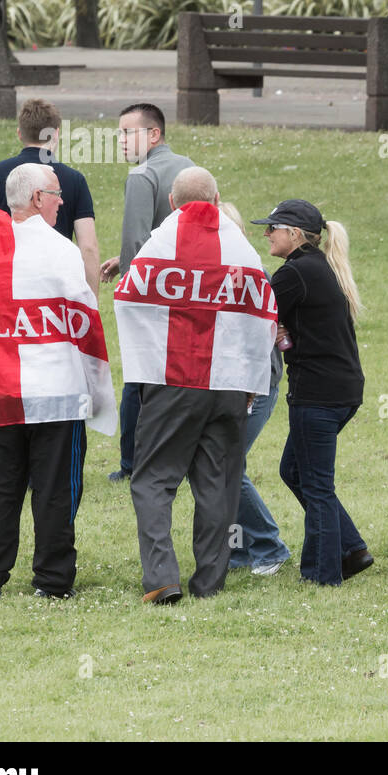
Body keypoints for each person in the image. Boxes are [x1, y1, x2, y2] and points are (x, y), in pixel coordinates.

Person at [0, 163, 116, 598]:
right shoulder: (58, 249)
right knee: (55, 489)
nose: (63, 201)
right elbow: (84, 322)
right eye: (57, 194)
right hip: (55, 395)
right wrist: (97, 385)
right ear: (37, 199)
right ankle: (53, 579)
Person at [115, 168, 276, 603]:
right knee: (218, 484)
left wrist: (145, 363)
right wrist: (249, 378)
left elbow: (127, 301)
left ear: (171, 202)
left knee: (153, 480)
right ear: (218, 197)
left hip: (173, 379)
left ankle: (163, 578)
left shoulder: (159, 245)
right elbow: (264, 315)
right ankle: (210, 582)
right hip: (228, 383)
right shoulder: (242, 250)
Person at [251, 199, 372, 586]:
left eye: (273, 228)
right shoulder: (318, 268)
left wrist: (276, 330)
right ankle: (351, 549)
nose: (266, 233)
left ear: (295, 235)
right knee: (294, 471)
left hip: (318, 394)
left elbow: (258, 319)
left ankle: (323, 574)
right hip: (342, 390)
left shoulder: (294, 274)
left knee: (316, 484)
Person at [99, 102, 194, 483]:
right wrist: (122, 258)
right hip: (192, 290)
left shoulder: (142, 176)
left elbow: (139, 242)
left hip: (153, 297)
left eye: (127, 132)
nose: (121, 141)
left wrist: (128, 268)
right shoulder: (190, 168)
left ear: (153, 134)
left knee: (139, 380)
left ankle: (131, 464)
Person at [0, 98, 98, 308]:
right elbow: (88, 246)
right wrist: (91, 300)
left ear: (20, 133)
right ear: (56, 134)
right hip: (52, 285)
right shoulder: (75, 180)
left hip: (2, 284)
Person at [219, 202, 291, 576]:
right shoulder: (215, 273)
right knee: (221, 465)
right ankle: (238, 551)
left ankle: (268, 546)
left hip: (256, 386)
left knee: (227, 464)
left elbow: (261, 339)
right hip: (227, 385)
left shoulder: (252, 275)